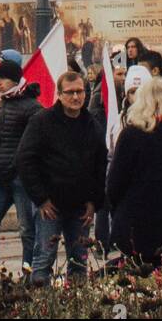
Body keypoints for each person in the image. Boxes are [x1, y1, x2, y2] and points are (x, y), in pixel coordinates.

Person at [17, 70, 106, 285]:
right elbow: (24, 160)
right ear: (59, 94)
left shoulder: (91, 124)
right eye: (70, 92)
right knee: (43, 260)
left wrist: (94, 201)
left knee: (79, 262)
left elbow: (100, 166)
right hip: (51, 205)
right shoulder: (42, 121)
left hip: (80, 208)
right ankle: (42, 306)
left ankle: (76, 305)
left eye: (80, 92)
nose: (76, 97)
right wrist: (40, 198)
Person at [106, 77, 162, 265]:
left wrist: (115, 208)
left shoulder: (131, 134)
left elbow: (115, 181)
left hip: (134, 216)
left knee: (135, 270)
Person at [0, 58, 41, 284]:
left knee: (27, 231)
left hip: (21, 179)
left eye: (2, 78)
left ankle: (29, 277)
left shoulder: (31, 107)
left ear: (15, 80)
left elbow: (35, 144)